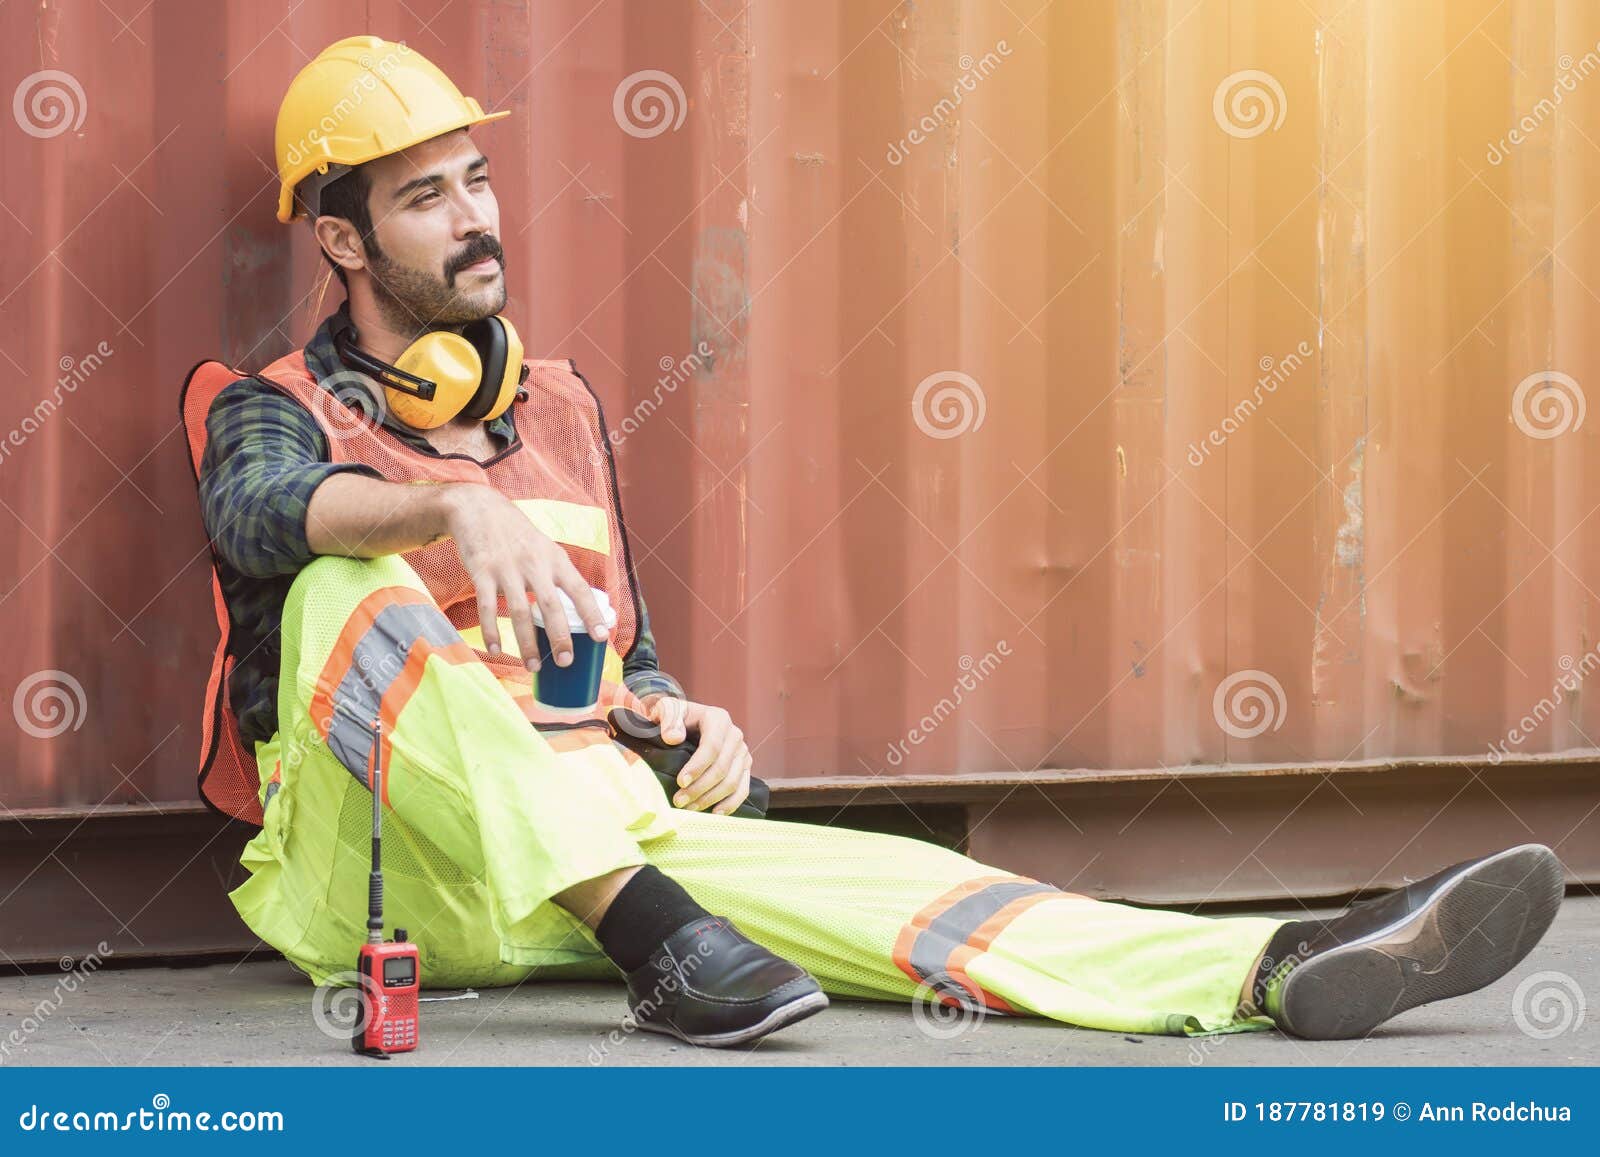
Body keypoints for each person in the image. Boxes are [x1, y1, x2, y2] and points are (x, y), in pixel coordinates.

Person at [182, 35, 1565, 1050]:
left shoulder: (558, 407)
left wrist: (673, 716)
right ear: (343, 241)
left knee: (925, 888)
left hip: (599, 855)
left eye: (477, 181)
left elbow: (617, 651)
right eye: (426, 198)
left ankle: (1277, 961)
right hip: (388, 876)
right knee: (338, 586)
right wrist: (443, 504)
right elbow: (252, 519)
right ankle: (653, 933)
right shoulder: (279, 409)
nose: (477, 219)